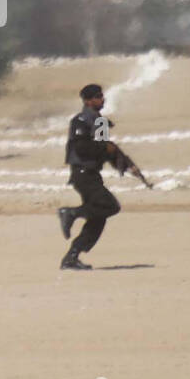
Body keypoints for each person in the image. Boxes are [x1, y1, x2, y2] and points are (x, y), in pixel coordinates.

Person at [57, 83, 121, 270]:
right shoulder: (80, 121)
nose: (102, 99)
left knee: (98, 217)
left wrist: (126, 165)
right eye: (98, 96)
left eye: (102, 96)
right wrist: (105, 147)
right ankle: (71, 213)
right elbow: (82, 148)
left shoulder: (100, 121)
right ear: (87, 100)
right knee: (110, 206)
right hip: (82, 174)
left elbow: (106, 151)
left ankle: (72, 257)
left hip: (93, 174)